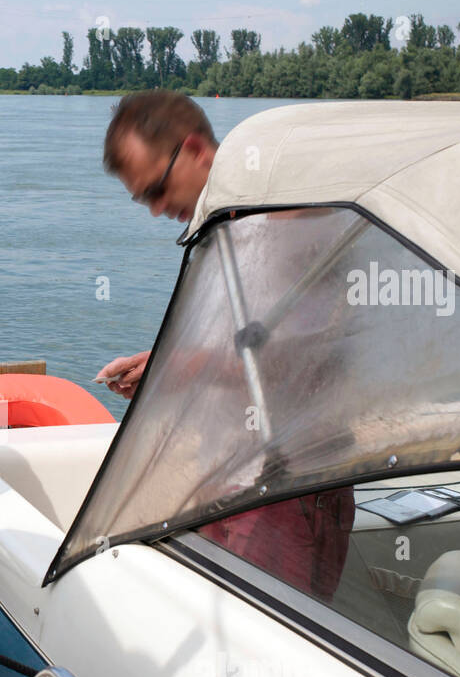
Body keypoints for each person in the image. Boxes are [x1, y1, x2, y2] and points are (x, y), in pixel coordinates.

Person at [95, 91, 352, 602]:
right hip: (227, 482)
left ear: (196, 150)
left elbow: (301, 362)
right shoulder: (223, 226)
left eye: (156, 190)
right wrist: (160, 366)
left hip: (282, 487)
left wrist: (179, 370)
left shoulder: (286, 220)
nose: (155, 210)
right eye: (142, 199)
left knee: (268, 653)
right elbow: (243, 341)